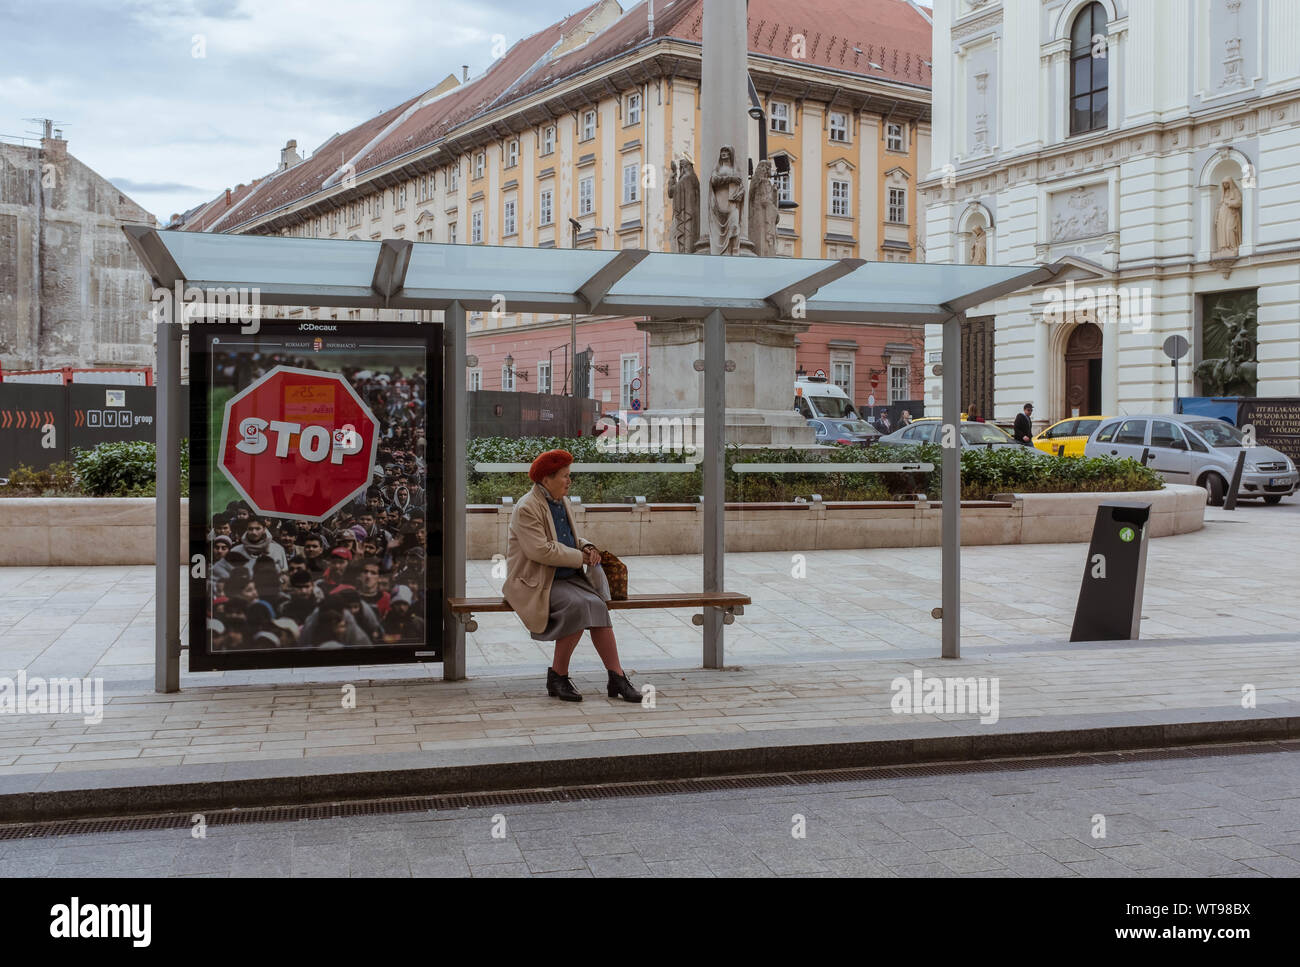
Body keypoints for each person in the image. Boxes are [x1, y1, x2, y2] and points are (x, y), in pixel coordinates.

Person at [504, 449, 640, 703]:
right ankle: (558, 675)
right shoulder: (527, 508)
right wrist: (582, 558)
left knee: (597, 606)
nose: (569, 481)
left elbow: (569, 540)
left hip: (565, 578)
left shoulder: (560, 501)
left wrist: (587, 547)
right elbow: (541, 550)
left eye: (569, 475)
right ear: (547, 479)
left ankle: (617, 677)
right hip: (536, 581)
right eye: (565, 476)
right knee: (578, 606)